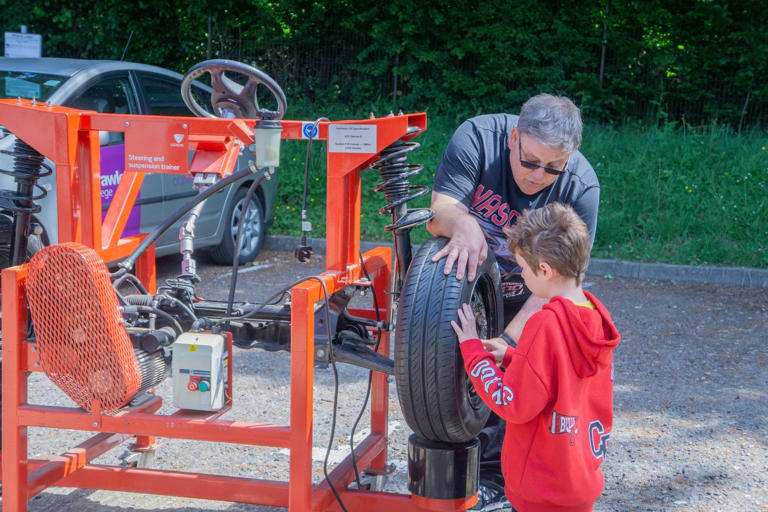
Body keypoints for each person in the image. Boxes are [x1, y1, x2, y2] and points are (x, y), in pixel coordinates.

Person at [426, 93, 600, 510]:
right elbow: (438, 212)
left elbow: (567, 279)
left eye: (553, 167)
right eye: (530, 161)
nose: (539, 175)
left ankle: (495, 478)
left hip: (532, 291)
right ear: (514, 138)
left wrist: (509, 342)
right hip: (469, 280)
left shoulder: (582, 185)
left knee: (517, 375)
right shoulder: (477, 138)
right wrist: (463, 222)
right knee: (441, 373)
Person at [451, 202, 621, 512]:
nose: (522, 278)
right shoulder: (596, 318)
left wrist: (473, 351)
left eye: (523, 270)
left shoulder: (545, 323)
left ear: (544, 269)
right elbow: (561, 377)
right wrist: (516, 356)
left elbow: (511, 402)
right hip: (578, 484)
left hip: (540, 492)